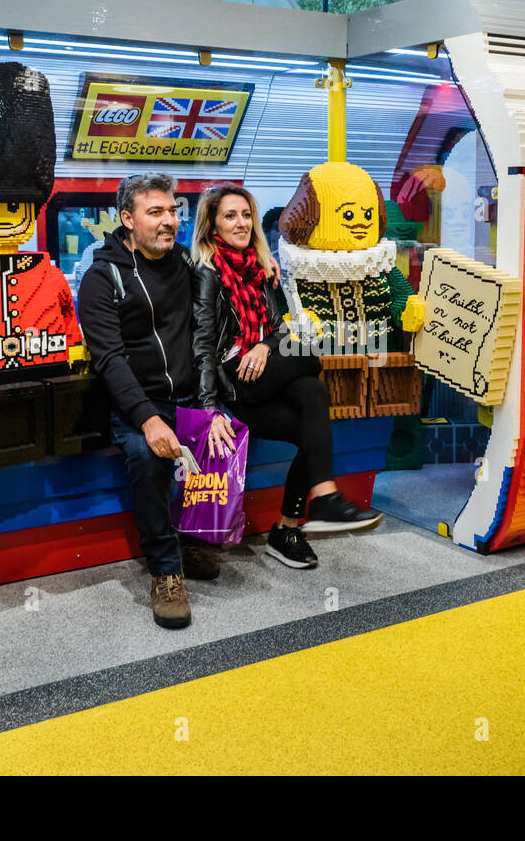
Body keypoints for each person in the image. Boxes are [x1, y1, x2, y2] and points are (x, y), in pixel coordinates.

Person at [190, 183, 383, 570]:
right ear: (212, 228)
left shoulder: (259, 270)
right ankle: (326, 498)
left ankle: (288, 527)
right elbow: (201, 343)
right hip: (236, 384)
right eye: (230, 216)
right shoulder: (205, 271)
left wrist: (263, 346)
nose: (241, 223)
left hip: (263, 371)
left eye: (246, 215)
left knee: (312, 400)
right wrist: (210, 409)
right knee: (310, 354)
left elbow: (277, 330)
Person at [77, 172, 220, 630]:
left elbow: (226, 298)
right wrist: (148, 420)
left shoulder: (187, 264)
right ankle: (165, 569)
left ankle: (192, 540)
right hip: (137, 401)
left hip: (189, 393)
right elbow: (110, 359)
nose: (169, 221)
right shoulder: (102, 279)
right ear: (127, 219)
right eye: (155, 212)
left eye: (173, 211)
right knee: (148, 456)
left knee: (223, 436)